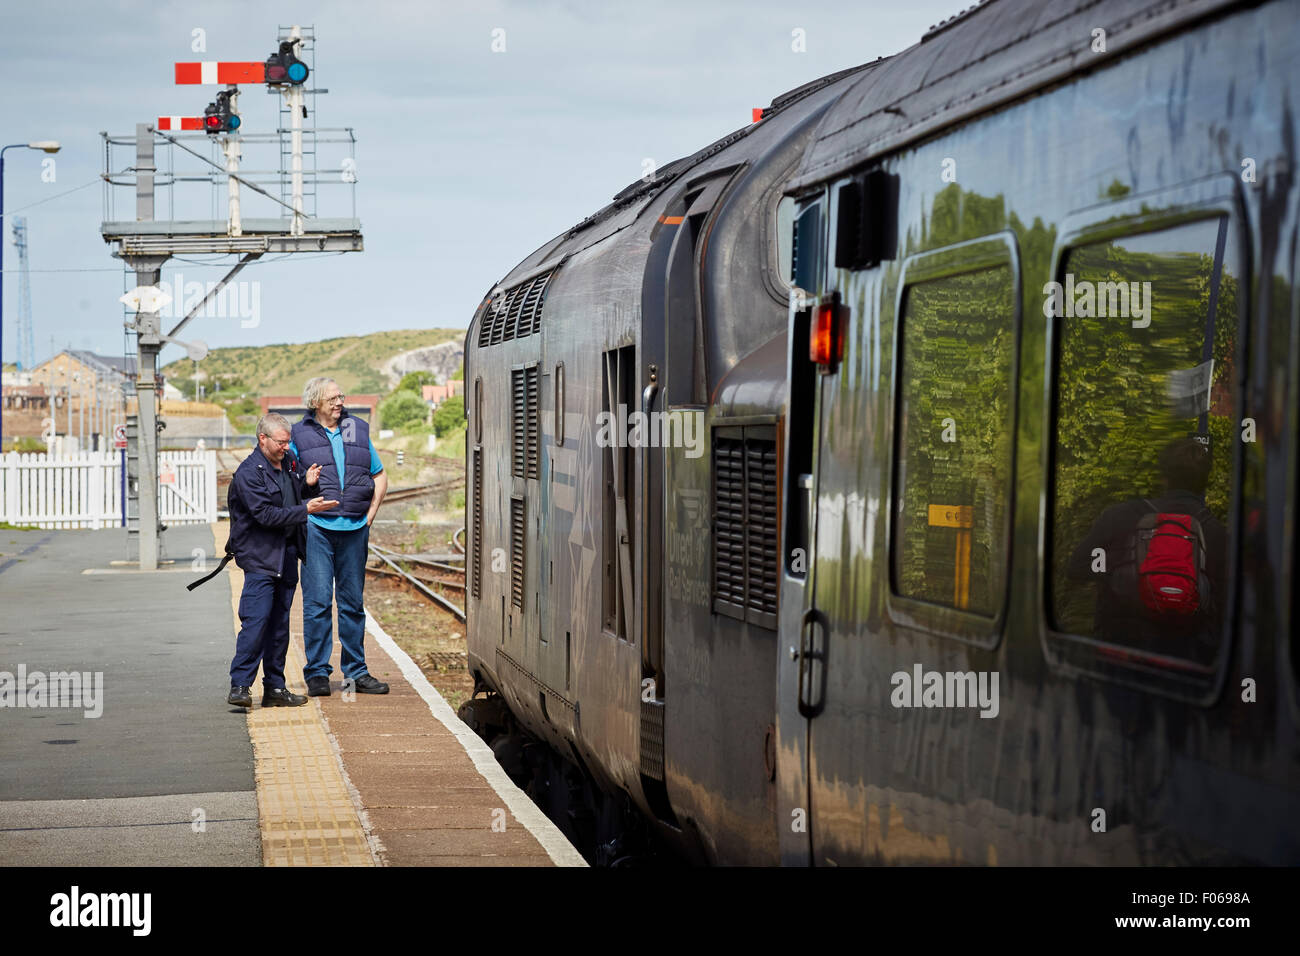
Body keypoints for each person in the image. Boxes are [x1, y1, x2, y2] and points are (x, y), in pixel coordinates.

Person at [1066, 437, 1227, 656]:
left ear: (1163, 477)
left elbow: (1076, 567)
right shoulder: (1217, 534)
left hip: (1120, 652)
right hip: (1187, 664)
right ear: (1205, 482)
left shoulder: (1118, 517)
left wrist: (1121, 574)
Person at [226, 413, 338, 708]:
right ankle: (240, 685)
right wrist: (306, 509)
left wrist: (309, 484)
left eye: (288, 442)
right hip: (261, 557)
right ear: (262, 438)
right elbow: (265, 515)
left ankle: (275, 688)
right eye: (281, 442)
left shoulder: (288, 463)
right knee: (257, 622)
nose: (286, 447)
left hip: (286, 556)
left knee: (279, 626)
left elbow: (293, 493)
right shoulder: (249, 473)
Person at [289, 377, 390, 696]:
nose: (339, 402)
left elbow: (380, 473)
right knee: (317, 602)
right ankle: (317, 673)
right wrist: (304, 484)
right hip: (317, 528)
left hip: (355, 529)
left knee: (352, 604)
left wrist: (370, 516)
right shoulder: (298, 434)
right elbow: (286, 481)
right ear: (315, 402)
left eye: (341, 396)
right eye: (332, 398)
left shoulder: (356, 428)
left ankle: (356, 672)